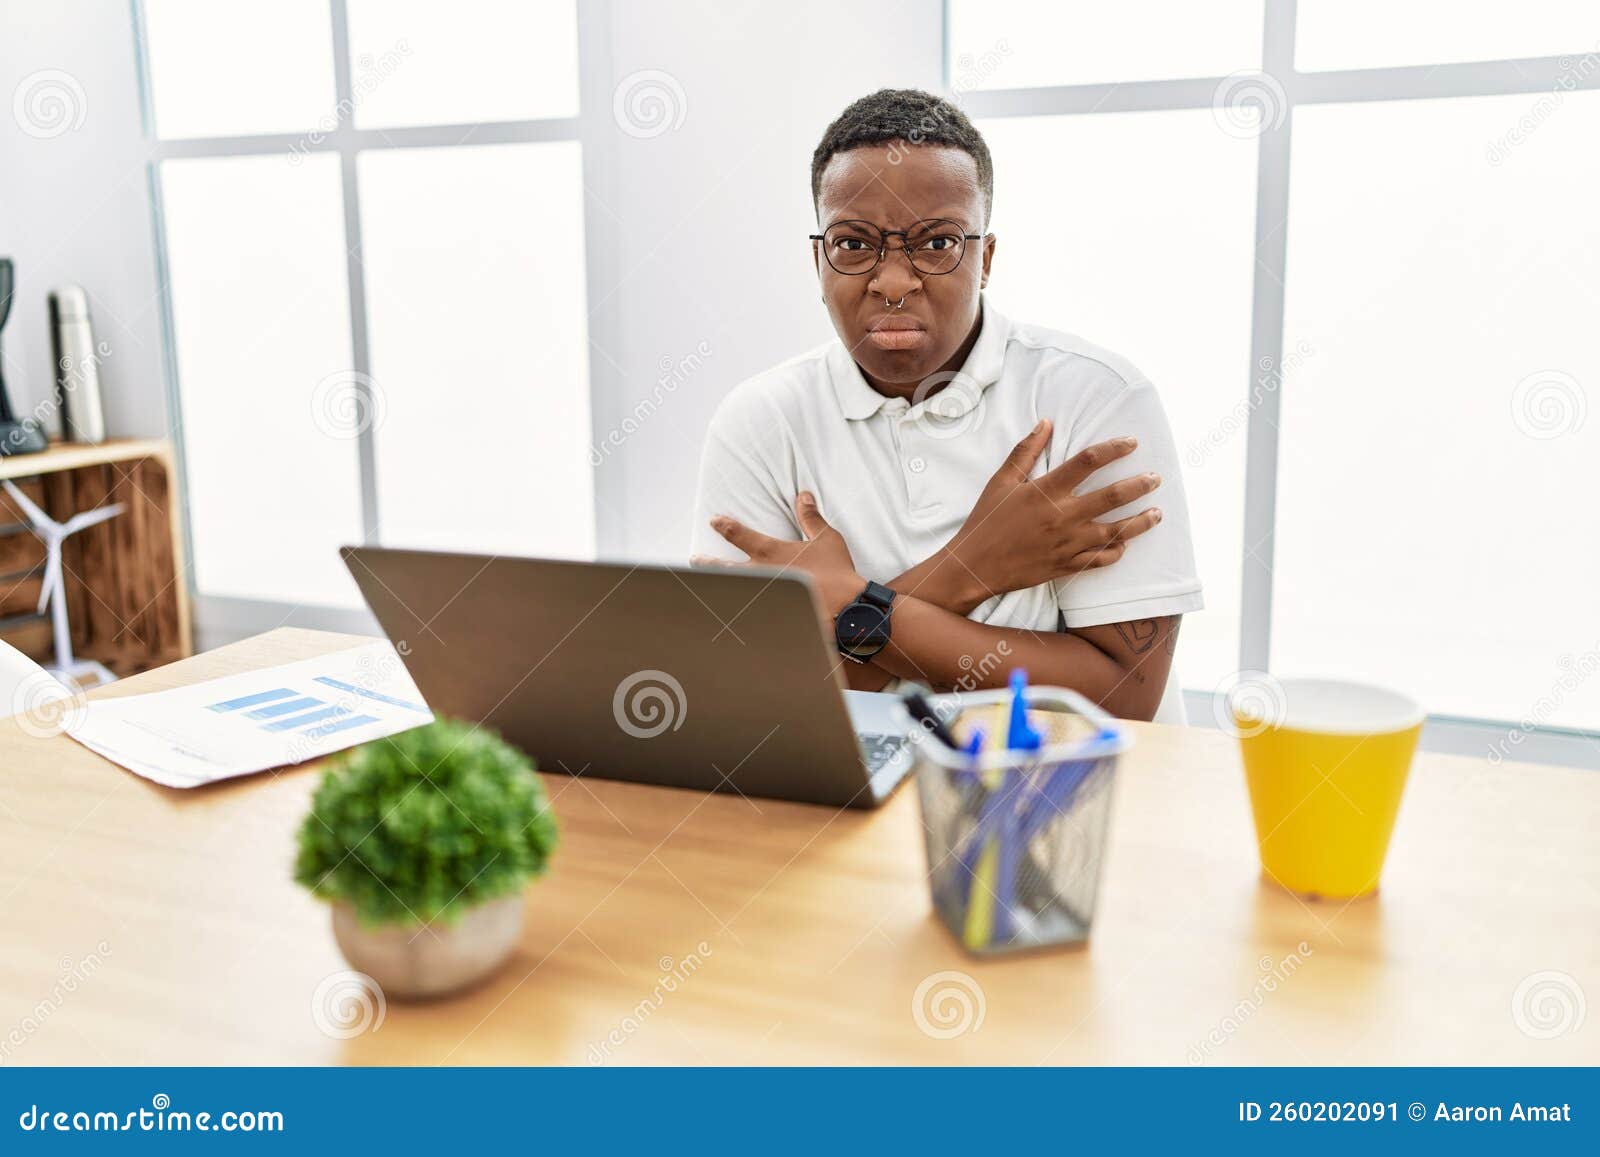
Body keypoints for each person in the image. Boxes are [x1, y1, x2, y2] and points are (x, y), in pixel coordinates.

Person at [690, 89, 1201, 723]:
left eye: (937, 244)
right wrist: (972, 567)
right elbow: (753, 706)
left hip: (1069, 796)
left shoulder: (1095, 399)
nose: (895, 282)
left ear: (985, 260)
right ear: (817, 260)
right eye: (853, 244)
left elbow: (1124, 697)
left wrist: (851, 606)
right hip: (848, 811)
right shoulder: (759, 422)